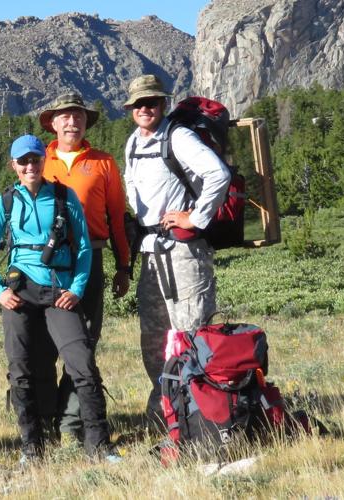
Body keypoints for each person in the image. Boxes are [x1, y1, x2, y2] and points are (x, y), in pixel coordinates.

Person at [0, 134, 118, 462]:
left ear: (45, 160)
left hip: (59, 291)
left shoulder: (64, 197)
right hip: (20, 293)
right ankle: (33, 447)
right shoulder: (5, 203)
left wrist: (77, 289)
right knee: (20, 369)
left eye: (35, 159)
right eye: (23, 161)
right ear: (13, 165)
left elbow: (84, 247)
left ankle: (98, 445)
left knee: (82, 364)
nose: (30, 166)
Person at [122, 75, 231, 427]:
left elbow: (218, 174)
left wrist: (196, 218)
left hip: (184, 253)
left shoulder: (178, 137)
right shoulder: (132, 144)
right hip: (151, 254)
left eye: (151, 102)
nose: (145, 109)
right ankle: (167, 415)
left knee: (191, 332)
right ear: (130, 109)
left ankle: (203, 418)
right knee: (154, 338)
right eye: (139, 104)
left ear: (163, 104)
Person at [39, 92, 130, 444]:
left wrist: (123, 265)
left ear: (85, 121)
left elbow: (117, 218)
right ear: (53, 122)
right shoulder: (38, 161)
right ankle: (45, 422)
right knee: (45, 345)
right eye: (64, 116)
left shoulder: (103, 162)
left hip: (90, 257)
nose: (71, 122)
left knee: (84, 345)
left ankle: (71, 423)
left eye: (77, 115)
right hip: (46, 266)